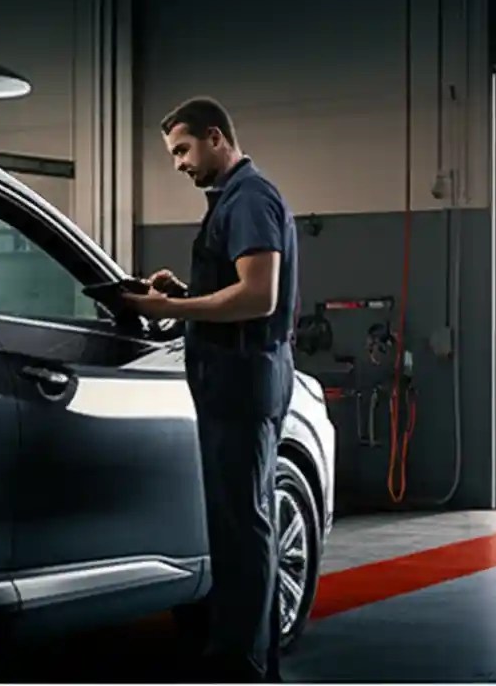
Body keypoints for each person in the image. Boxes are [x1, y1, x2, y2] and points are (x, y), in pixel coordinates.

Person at [123, 96, 298, 683]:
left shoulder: (250, 198)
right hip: (232, 381)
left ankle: (241, 666)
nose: (177, 163)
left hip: (242, 384)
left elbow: (258, 295)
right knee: (237, 523)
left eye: (182, 149)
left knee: (242, 528)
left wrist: (169, 307)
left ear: (216, 137)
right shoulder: (232, 200)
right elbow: (231, 287)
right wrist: (181, 294)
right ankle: (246, 659)